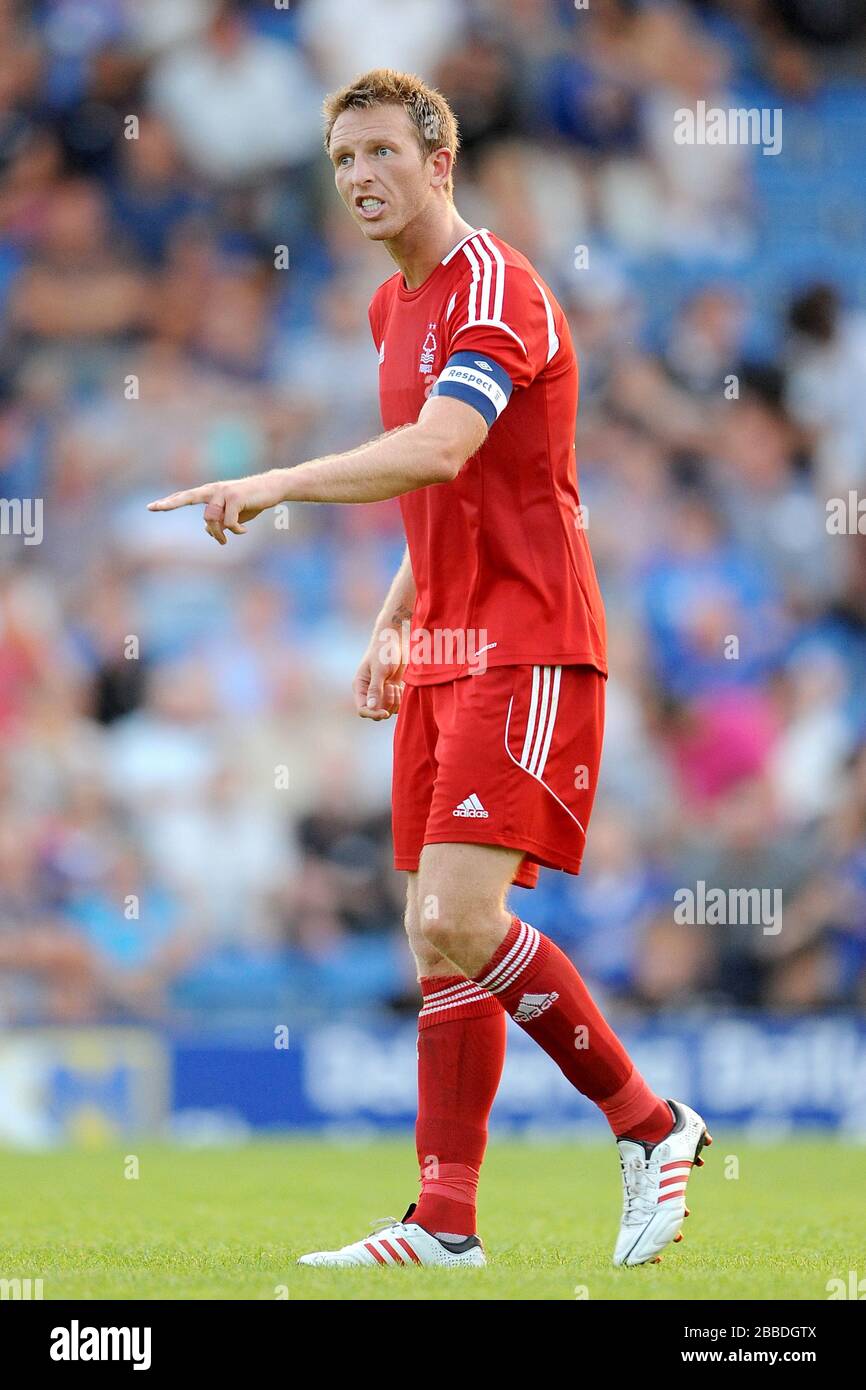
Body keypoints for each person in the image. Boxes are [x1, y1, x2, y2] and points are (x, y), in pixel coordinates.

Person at [149, 68, 712, 1269]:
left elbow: (446, 441)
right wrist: (394, 619)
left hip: (530, 639)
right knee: (429, 932)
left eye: (379, 155)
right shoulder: (385, 309)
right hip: (449, 645)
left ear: (437, 162)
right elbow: (438, 485)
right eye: (341, 158)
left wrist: (278, 481)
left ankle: (650, 1124)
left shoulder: (495, 286)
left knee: (462, 914)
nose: (357, 177)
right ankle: (445, 1222)